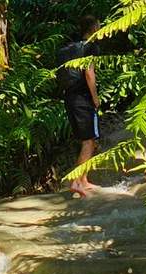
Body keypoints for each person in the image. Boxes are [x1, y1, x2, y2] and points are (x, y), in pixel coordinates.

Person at [58, 15, 101, 197]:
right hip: (83, 98)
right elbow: (89, 73)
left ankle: (83, 180)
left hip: (70, 97)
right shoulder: (89, 47)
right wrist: (95, 97)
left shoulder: (71, 48)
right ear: (93, 28)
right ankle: (76, 181)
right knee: (89, 141)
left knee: (87, 140)